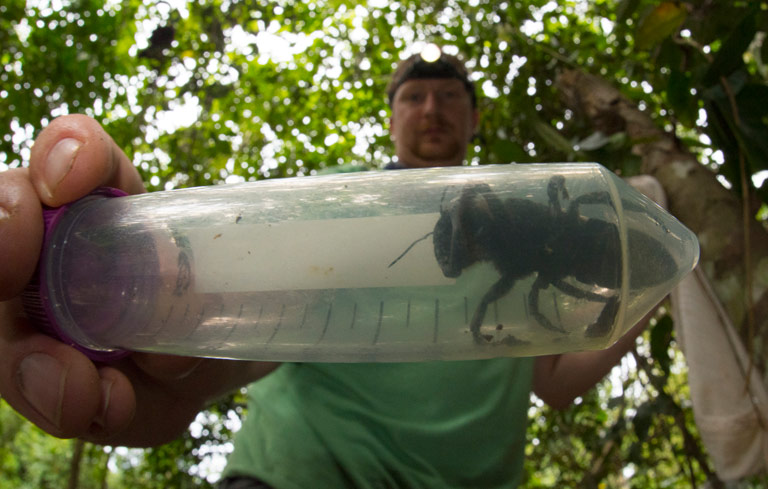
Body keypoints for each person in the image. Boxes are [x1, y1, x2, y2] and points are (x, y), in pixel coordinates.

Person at [0, 47, 651, 487]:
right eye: (414, 97)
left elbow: (557, 378)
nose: (430, 110)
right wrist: (178, 357)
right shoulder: (346, 196)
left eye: (448, 96)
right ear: (392, 118)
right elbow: (255, 319)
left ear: (474, 116)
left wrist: (654, 280)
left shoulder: (527, 206)